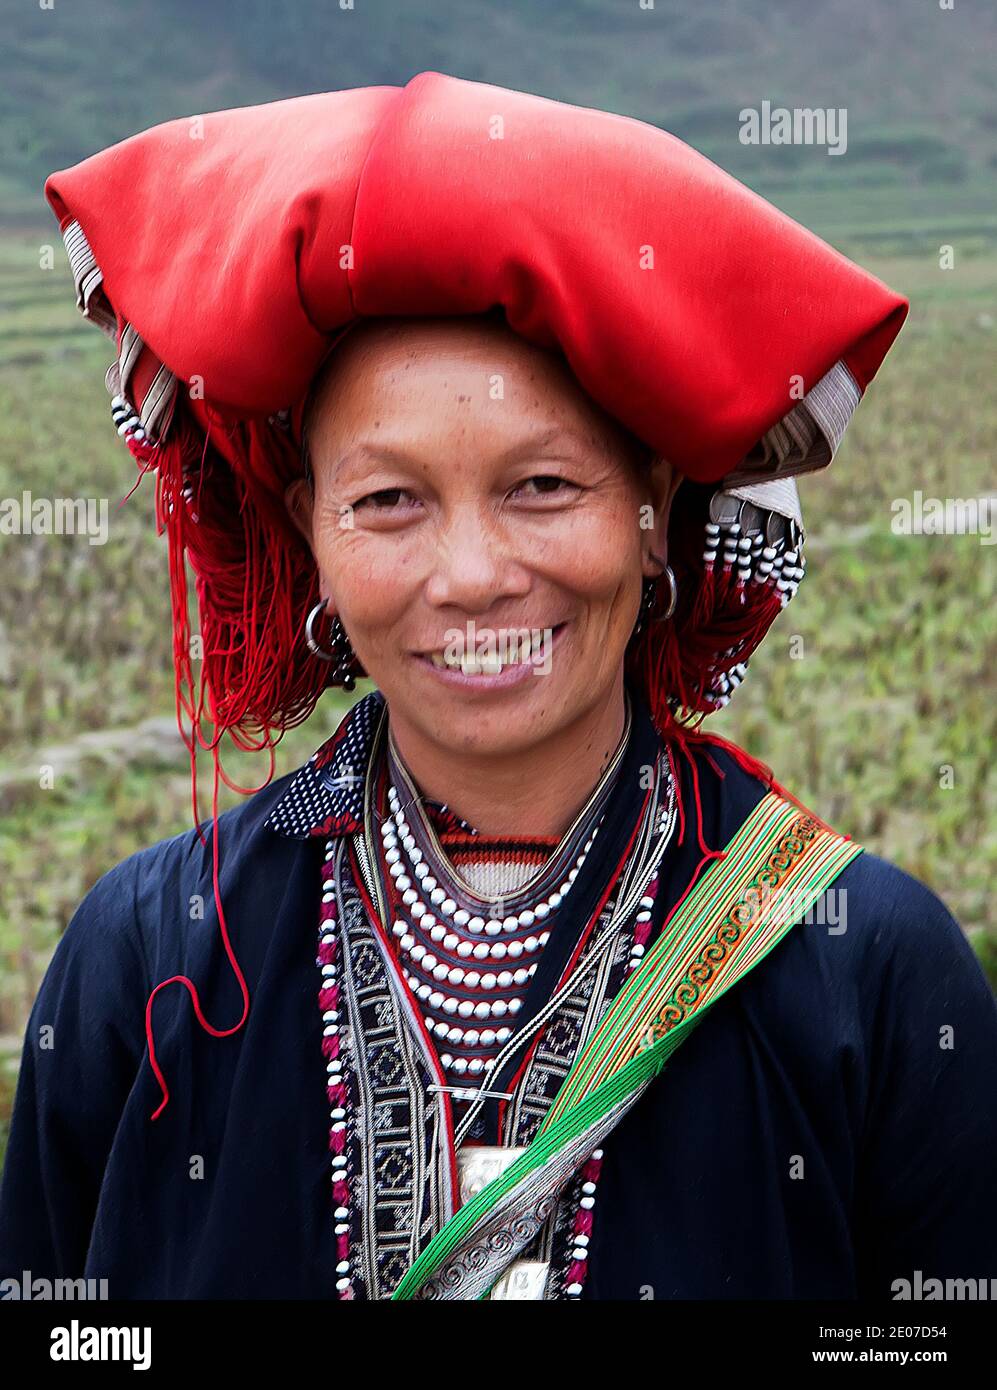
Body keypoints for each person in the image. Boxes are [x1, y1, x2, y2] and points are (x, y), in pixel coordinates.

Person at [1, 72, 994, 1302]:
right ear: (311, 530)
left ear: (652, 512)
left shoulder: (870, 972)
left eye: (543, 487)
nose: (469, 577)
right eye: (388, 500)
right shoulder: (149, 958)